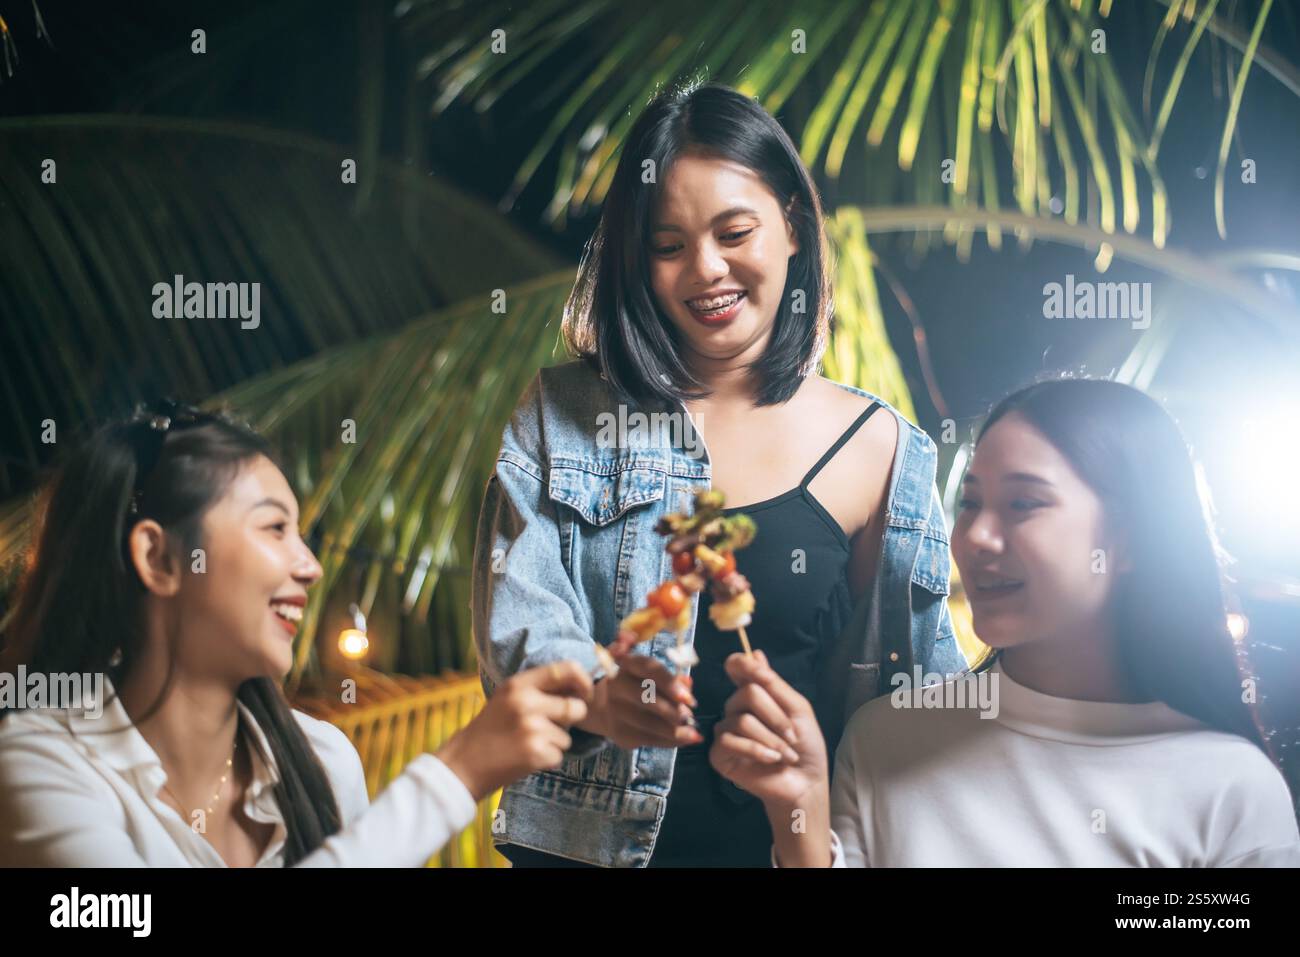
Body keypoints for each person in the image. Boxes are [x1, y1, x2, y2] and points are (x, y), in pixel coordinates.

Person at [471, 80, 965, 868]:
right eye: (667, 246)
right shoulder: (560, 413)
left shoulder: (878, 447)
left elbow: (912, 707)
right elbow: (515, 629)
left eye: (735, 231)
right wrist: (602, 694)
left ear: (794, 227)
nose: (706, 270)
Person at [712, 378, 1300, 867]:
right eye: (970, 503)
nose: (977, 537)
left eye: (1024, 504)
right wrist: (801, 815)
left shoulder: (1231, 790)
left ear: (1128, 541)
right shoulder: (885, 739)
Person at [0, 402, 593, 866]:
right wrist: (455, 774)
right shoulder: (38, 767)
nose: (309, 566)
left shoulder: (324, 761)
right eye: (274, 529)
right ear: (159, 558)